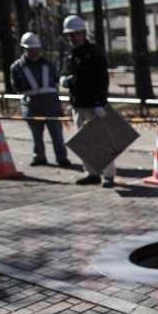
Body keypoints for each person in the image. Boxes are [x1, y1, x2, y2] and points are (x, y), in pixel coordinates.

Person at [60, 14, 115, 188]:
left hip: (94, 105)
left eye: (77, 34)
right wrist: (64, 80)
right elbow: (64, 74)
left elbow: (102, 80)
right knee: (84, 142)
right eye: (71, 35)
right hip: (78, 105)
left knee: (101, 141)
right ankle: (91, 173)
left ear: (83, 33)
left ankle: (108, 175)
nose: (74, 38)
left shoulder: (94, 54)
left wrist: (100, 102)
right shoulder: (69, 56)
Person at [10, 32, 71, 167]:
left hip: (51, 105)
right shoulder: (17, 67)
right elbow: (16, 86)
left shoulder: (49, 64)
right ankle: (39, 156)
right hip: (32, 105)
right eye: (30, 50)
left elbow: (56, 81)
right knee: (36, 134)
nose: (33, 53)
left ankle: (61, 157)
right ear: (25, 50)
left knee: (56, 134)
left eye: (36, 50)